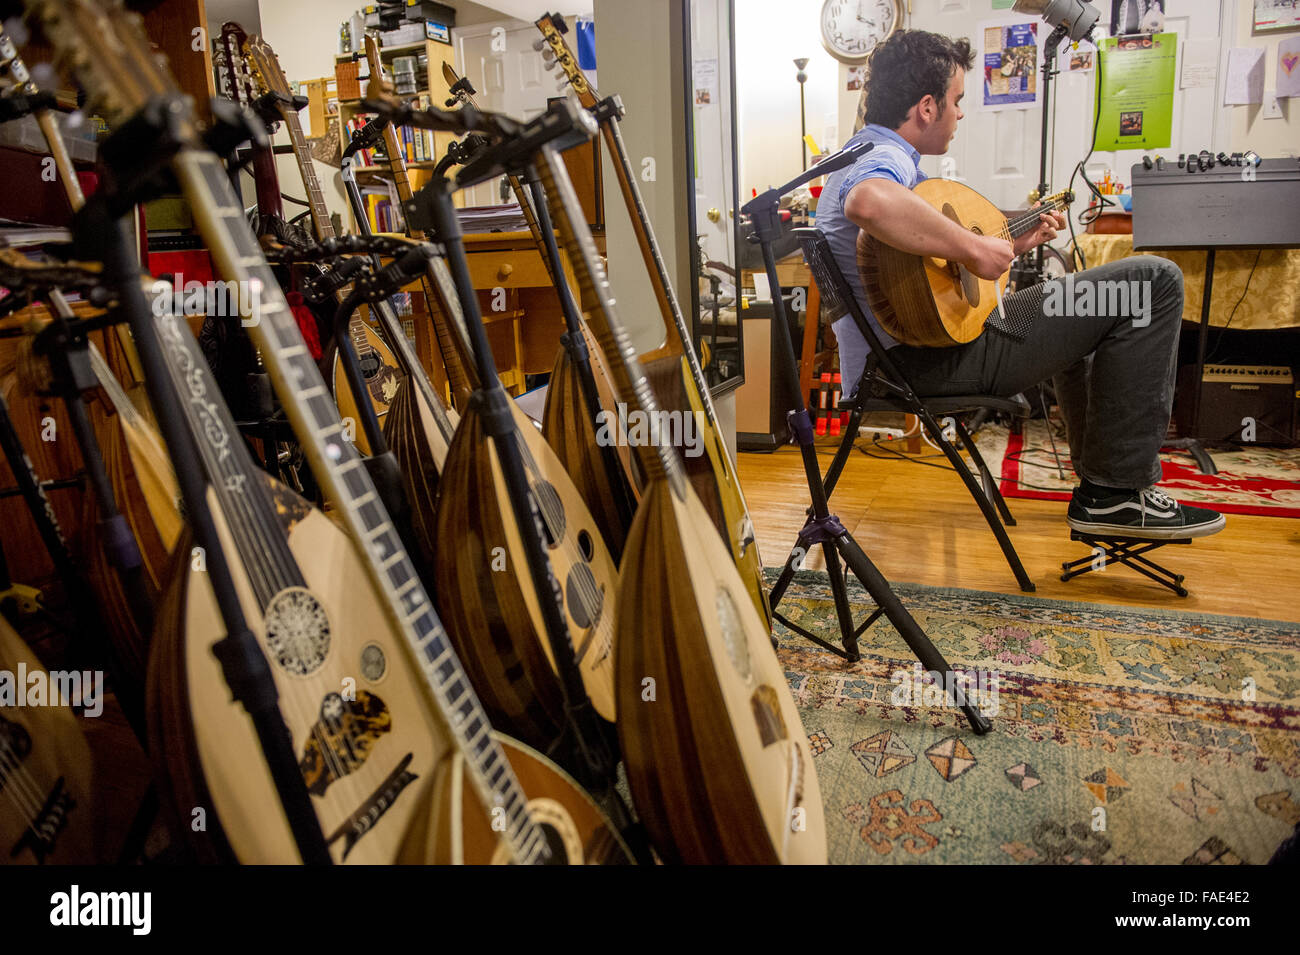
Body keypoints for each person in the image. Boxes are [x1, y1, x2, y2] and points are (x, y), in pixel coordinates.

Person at [817, 29, 1223, 540]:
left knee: (1084, 305)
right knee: (1151, 282)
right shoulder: (885, 158)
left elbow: (916, 279)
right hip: (926, 363)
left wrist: (1007, 244)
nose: (959, 114)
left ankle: (1105, 489)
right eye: (957, 101)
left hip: (913, 355)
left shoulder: (856, 153)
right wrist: (974, 248)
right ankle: (1118, 493)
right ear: (926, 107)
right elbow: (869, 203)